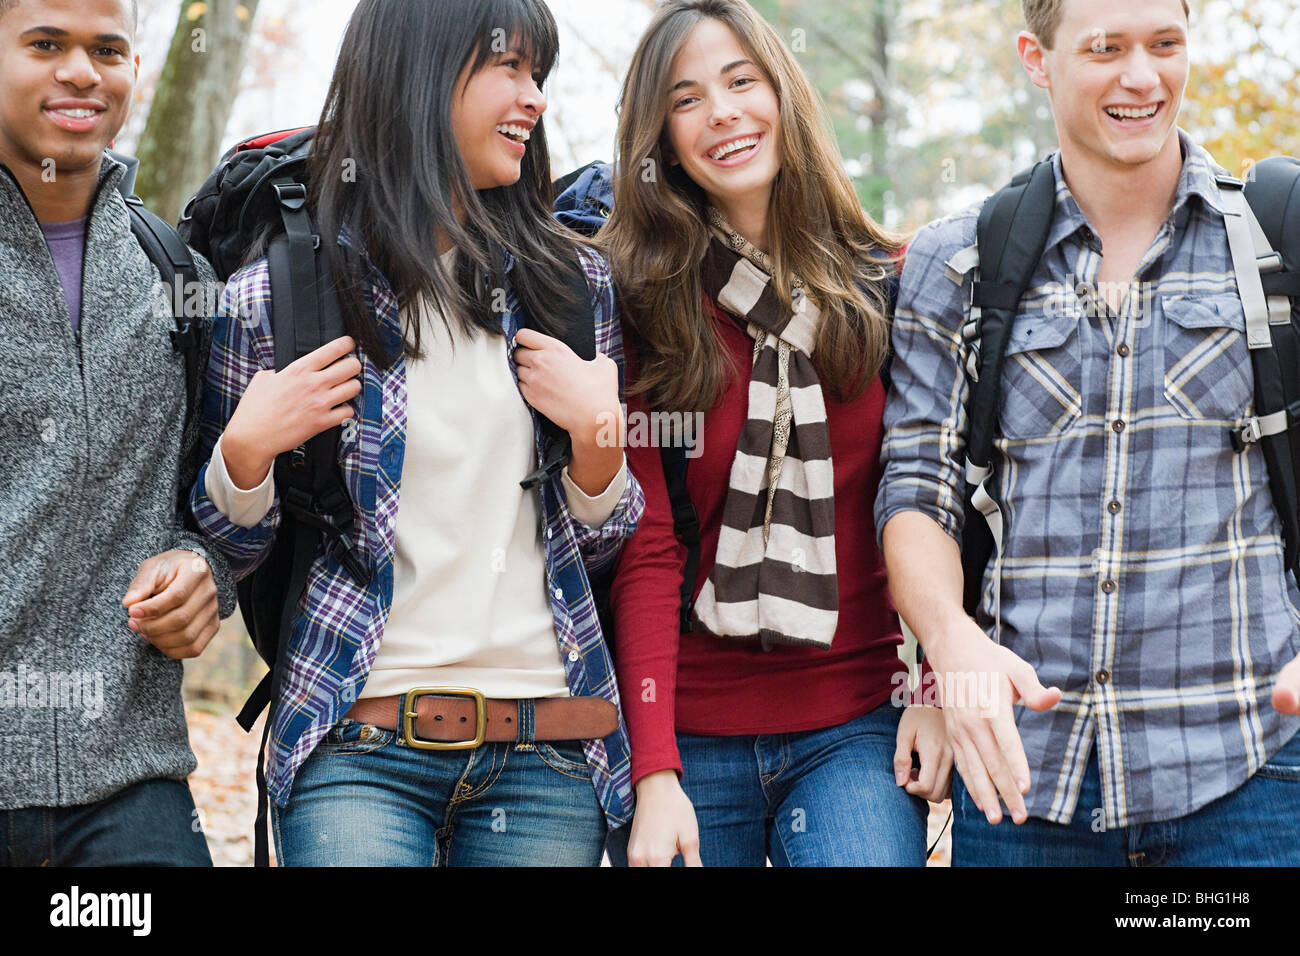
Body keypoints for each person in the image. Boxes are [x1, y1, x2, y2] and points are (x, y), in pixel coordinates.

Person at [188, 0, 644, 866]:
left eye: (538, 74)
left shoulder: (574, 290)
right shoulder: (278, 301)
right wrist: (243, 457)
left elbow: (604, 549)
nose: (534, 97)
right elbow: (224, 553)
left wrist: (599, 447)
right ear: (419, 74)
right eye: (508, 67)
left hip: (548, 752)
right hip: (357, 750)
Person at [877, 0, 1300, 866]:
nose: (1141, 78)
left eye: (1165, 45)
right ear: (1038, 58)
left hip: (1254, 773)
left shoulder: (1274, 239)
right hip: (1027, 782)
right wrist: (951, 648)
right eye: (1106, 49)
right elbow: (918, 483)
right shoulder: (958, 260)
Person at [600, 0, 951, 867]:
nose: (721, 112)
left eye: (741, 80)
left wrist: (936, 689)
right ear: (661, 139)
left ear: (784, 94)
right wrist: (652, 772)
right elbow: (645, 546)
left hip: (857, 725)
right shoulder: (636, 305)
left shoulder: (893, 285)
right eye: (685, 99)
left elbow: (940, 500)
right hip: (687, 731)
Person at [0, 0, 234, 866]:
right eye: (45, 44)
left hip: (130, 784)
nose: (81, 72)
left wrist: (205, 569)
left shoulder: (181, 278)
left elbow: (212, 502)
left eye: (107, 48)